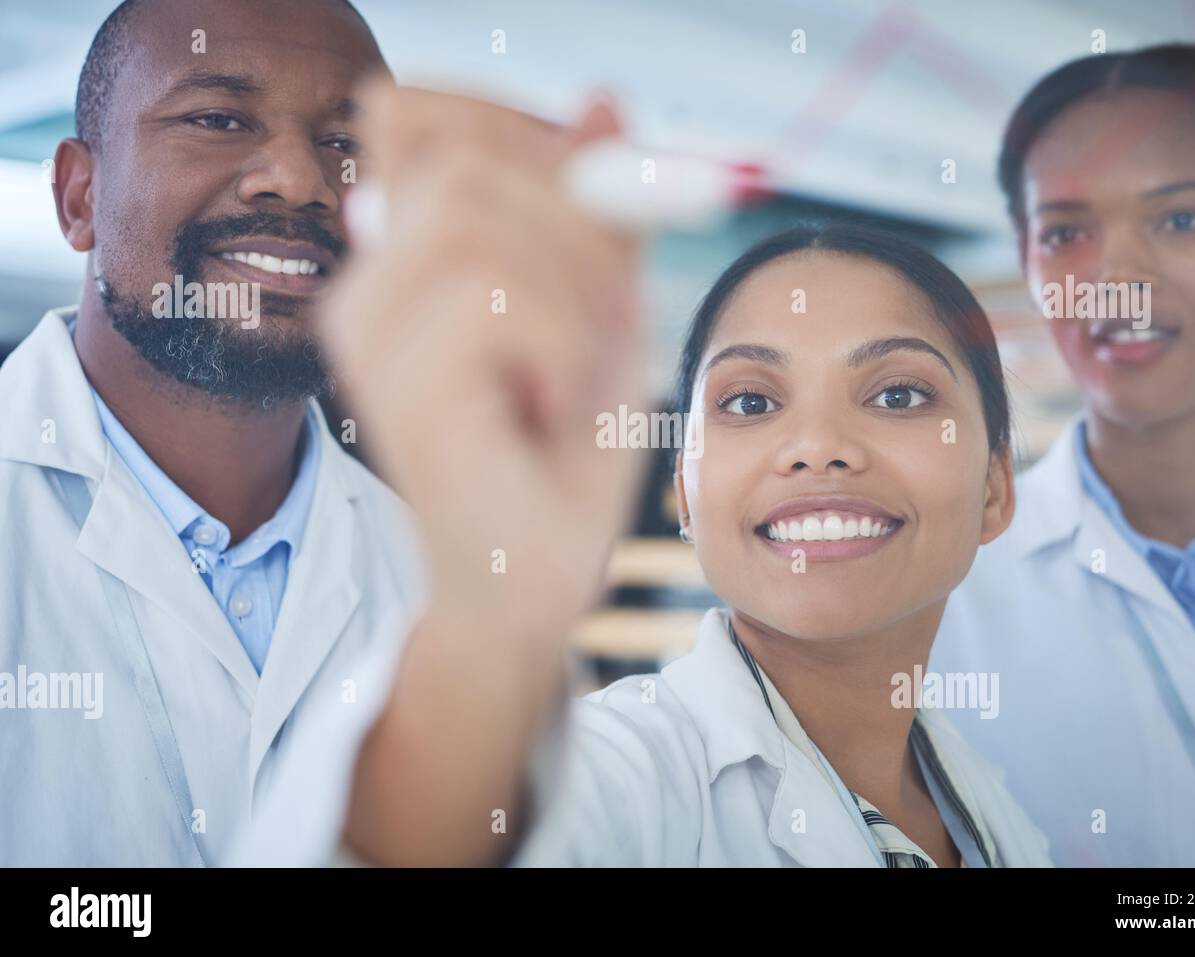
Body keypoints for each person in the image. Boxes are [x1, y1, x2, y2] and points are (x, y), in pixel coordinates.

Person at [234, 78, 1050, 865]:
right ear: (685, 494)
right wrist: (489, 631)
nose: (817, 446)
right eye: (751, 401)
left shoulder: (995, 813)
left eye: (899, 392)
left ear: (995, 488)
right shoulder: (627, 780)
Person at [0, 0, 424, 865]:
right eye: (218, 118)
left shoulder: (437, 581)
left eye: (349, 145)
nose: (301, 179)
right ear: (80, 196)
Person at [930, 44, 1195, 866]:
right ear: (1028, 262)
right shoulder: (937, 594)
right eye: (1065, 232)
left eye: (1181, 219)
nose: (1117, 277)